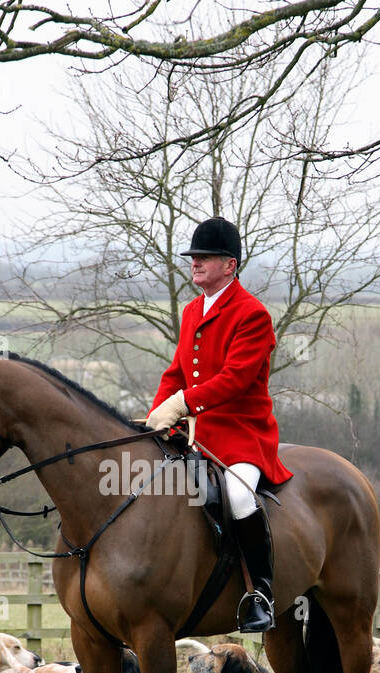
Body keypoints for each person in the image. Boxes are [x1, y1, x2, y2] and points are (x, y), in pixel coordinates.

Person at [147, 216, 293, 632]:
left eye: (205, 257)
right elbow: (177, 371)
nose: (195, 263)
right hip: (196, 431)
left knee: (239, 495)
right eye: (193, 257)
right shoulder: (193, 310)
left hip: (242, 433)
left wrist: (181, 404)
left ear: (229, 264)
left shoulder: (253, 314)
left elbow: (234, 378)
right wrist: (159, 414)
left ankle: (260, 593)